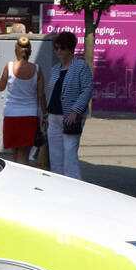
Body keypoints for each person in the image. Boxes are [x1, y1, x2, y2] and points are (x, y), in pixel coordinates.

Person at [46, 30, 93, 180]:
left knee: (69, 152)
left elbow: (87, 89)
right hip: (53, 116)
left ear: (70, 49)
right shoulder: (55, 69)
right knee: (55, 154)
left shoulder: (80, 66)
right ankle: (58, 183)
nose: (59, 51)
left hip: (71, 116)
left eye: (62, 48)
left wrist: (75, 111)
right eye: (57, 48)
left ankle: (74, 184)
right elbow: (52, 92)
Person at [0, 35, 45, 167]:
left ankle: (16, 183)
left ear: (16, 50)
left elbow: (1, 87)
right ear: (29, 51)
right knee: (24, 155)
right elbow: (41, 95)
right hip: (29, 116)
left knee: (15, 154)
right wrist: (45, 115)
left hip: (11, 115)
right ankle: (22, 182)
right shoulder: (36, 69)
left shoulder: (9, 66)